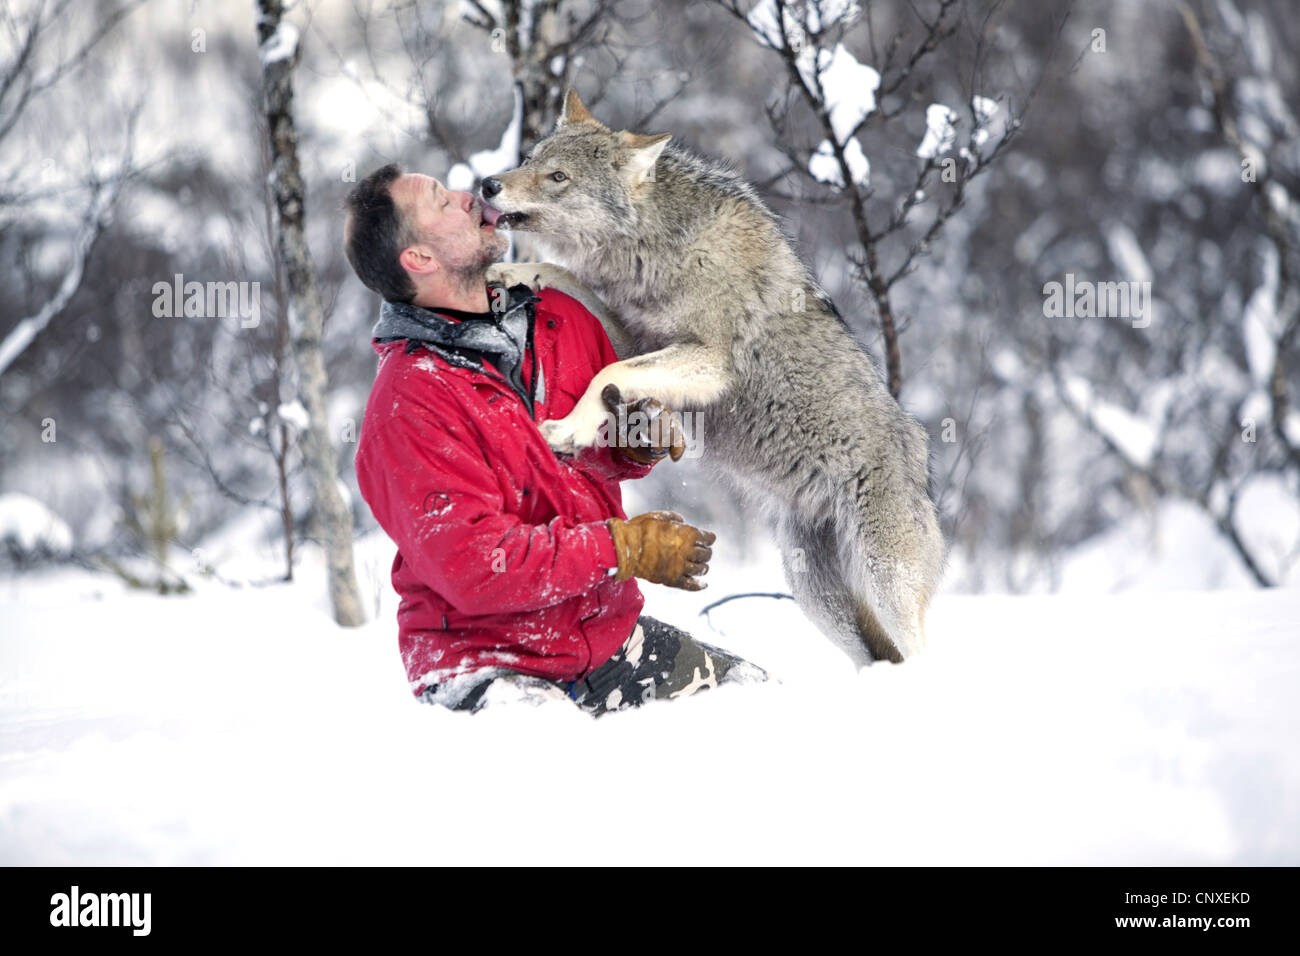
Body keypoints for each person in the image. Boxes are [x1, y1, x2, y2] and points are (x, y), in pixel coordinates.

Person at [343, 163, 765, 716]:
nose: (469, 199)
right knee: (559, 777)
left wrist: (635, 439)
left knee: (758, 705)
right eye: (442, 203)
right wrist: (624, 548)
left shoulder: (556, 316)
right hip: (487, 665)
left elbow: (588, 447)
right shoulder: (408, 407)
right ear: (419, 260)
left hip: (602, 640)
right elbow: (477, 566)